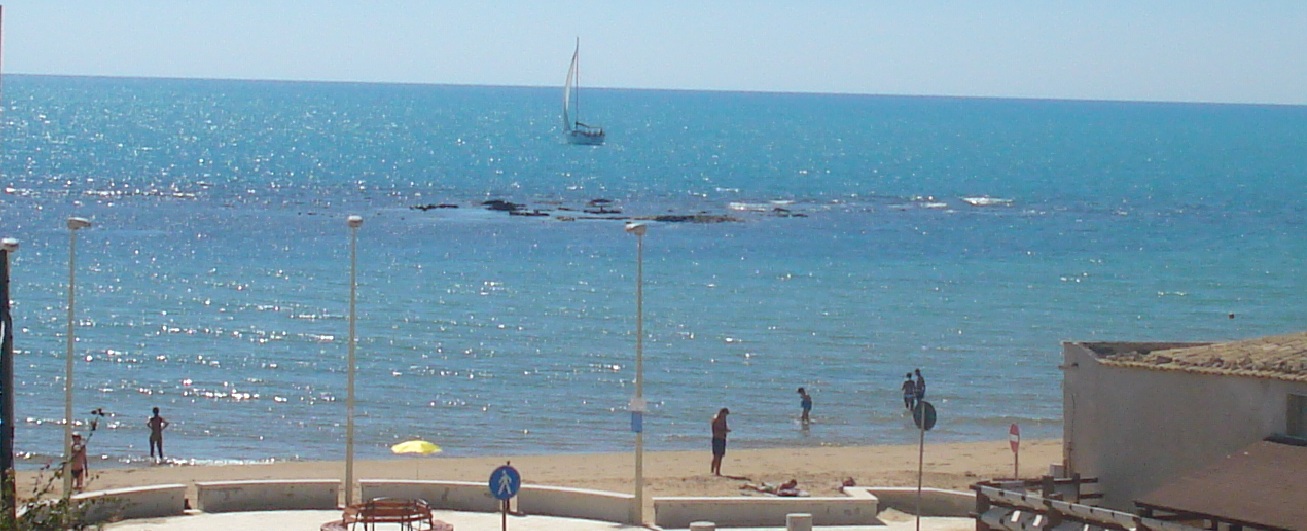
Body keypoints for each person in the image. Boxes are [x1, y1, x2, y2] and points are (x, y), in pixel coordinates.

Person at [710, 408, 730, 476]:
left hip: (722, 438)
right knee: (716, 456)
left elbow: (723, 427)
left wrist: (726, 430)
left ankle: (716, 471)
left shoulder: (723, 419)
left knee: (720, 456)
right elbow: (716, 429)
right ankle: (714, 471)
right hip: (717, 438)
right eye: (725, 414)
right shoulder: (716, 418)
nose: (725, 416)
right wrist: (724, 431)